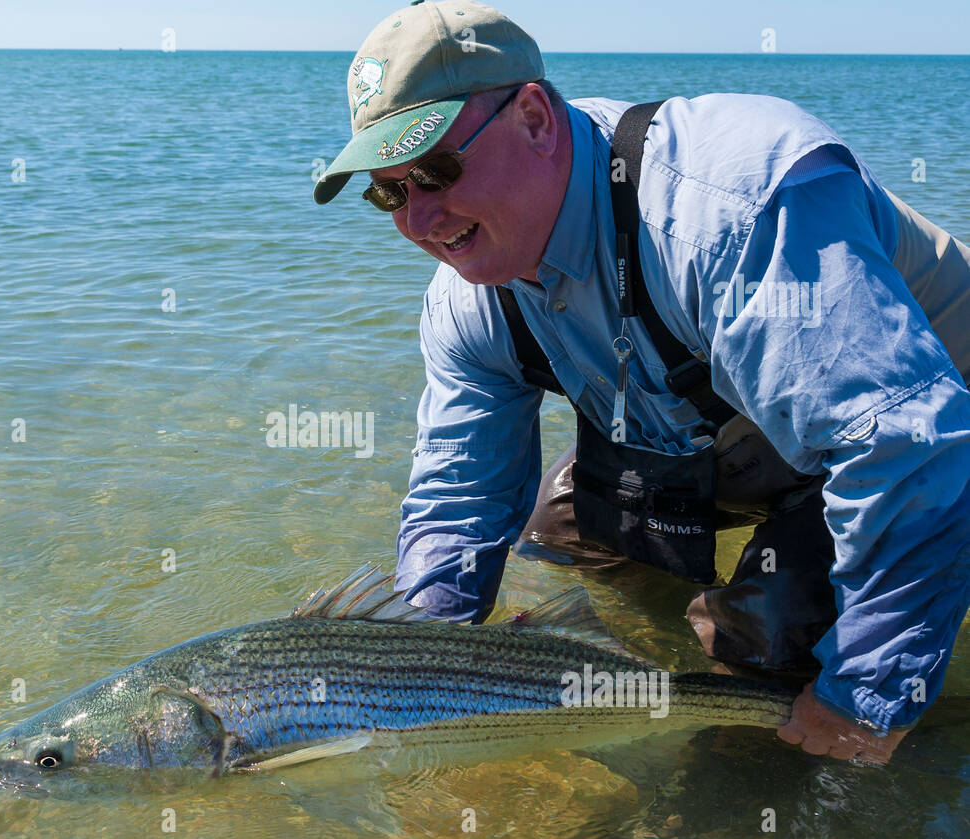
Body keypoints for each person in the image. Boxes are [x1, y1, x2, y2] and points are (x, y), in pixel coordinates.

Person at [313, 0, 970, 764]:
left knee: (761, 630)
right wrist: (414, 674)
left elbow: (903, 444)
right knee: (556, 534)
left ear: (534, 117)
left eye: (435, 171)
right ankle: (672, 674)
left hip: (935, 424)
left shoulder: (729, 203)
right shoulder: (466, 298)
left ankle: (785, 781)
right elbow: (462, 499)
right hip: (739, 432)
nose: (420, 220)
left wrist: (869, 697)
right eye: (389, 192)